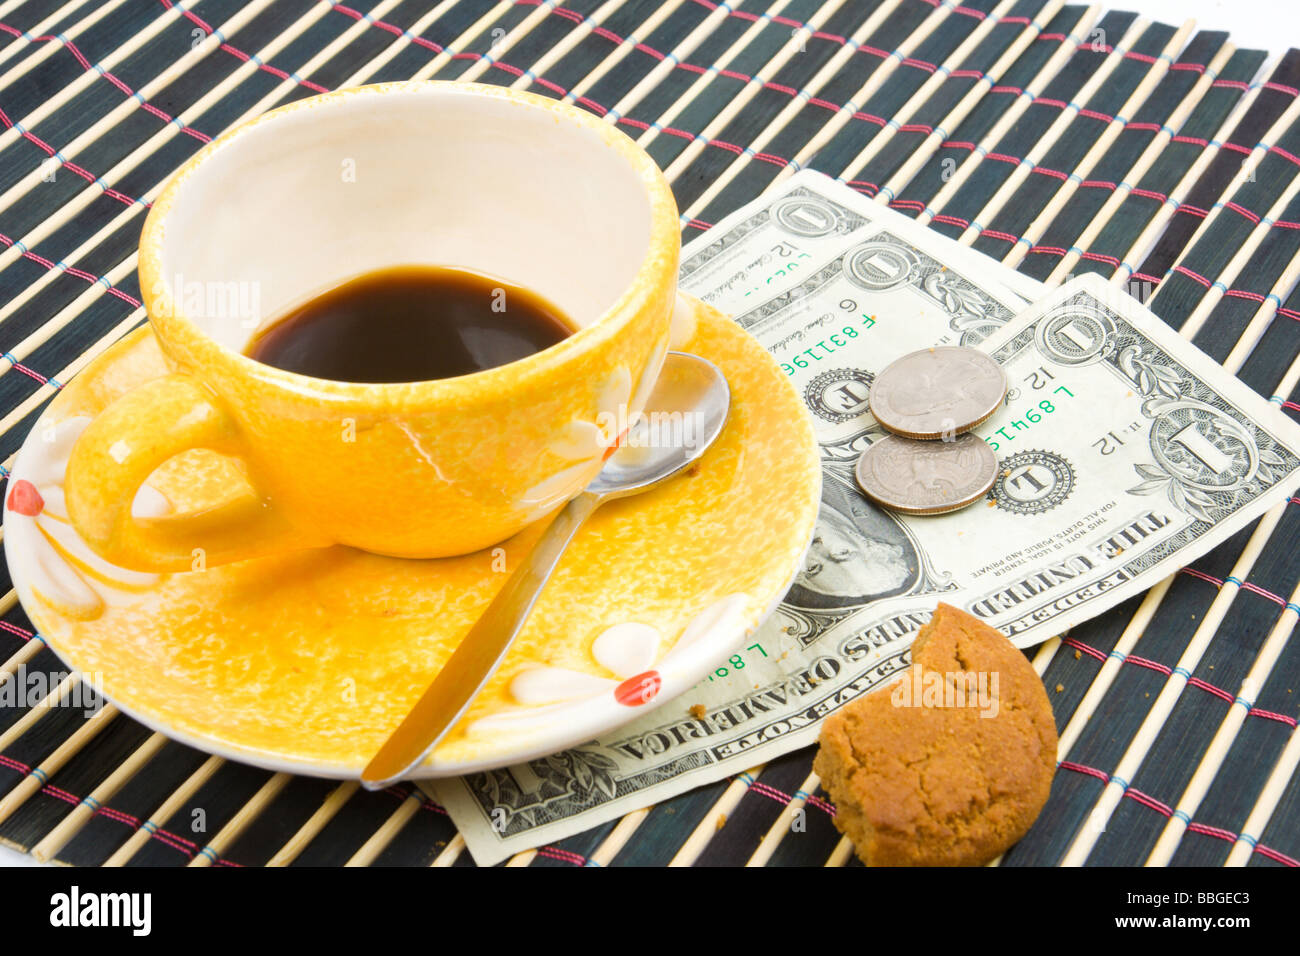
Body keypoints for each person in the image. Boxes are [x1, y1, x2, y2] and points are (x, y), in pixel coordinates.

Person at [786, 472, 916, 610]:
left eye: (813, 568)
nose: (819, 548)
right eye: (842, 552)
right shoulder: (846, 493)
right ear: (858, 540)